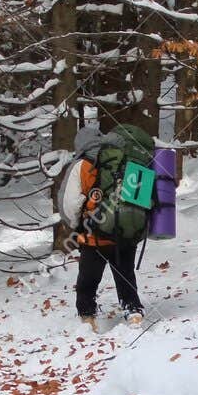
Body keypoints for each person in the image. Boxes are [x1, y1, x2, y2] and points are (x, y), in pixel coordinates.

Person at [72, 123, 155, 331]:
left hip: (95, 234)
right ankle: (133, 311)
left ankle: (87, 315)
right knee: (125, 274)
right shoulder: (129, 161)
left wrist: (77, 227)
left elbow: (71, 203)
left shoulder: (84, 165)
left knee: (88, 279)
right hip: (128, 230)